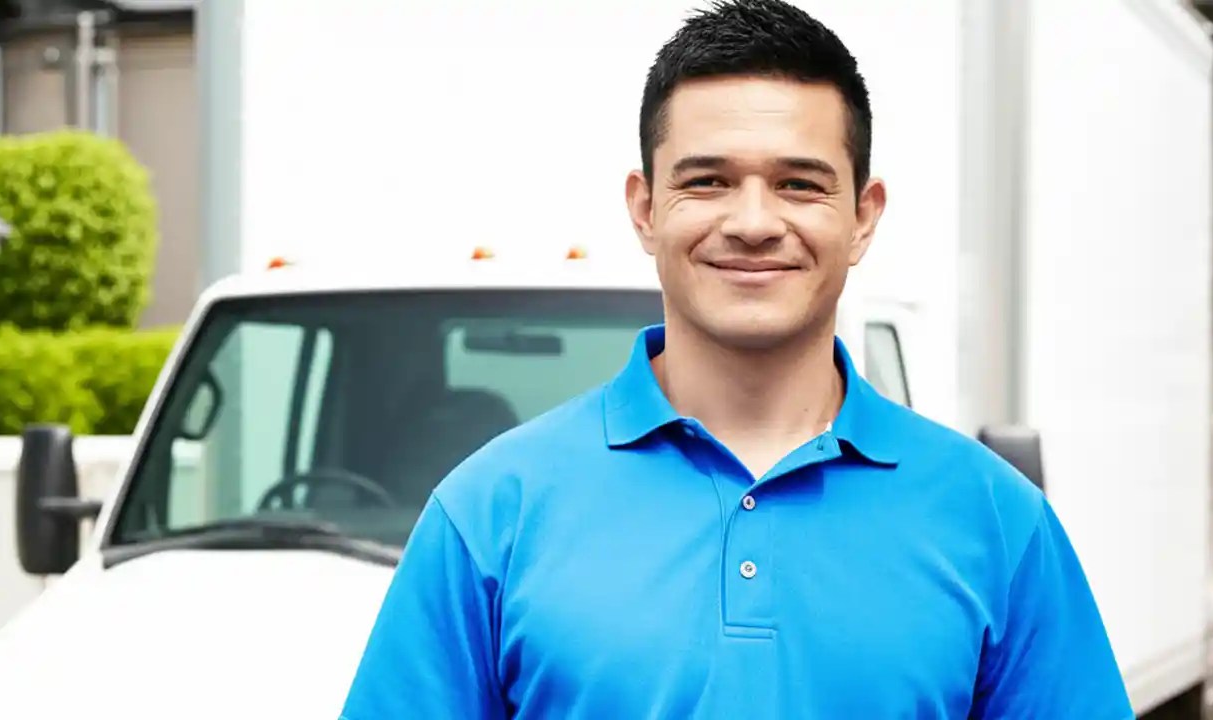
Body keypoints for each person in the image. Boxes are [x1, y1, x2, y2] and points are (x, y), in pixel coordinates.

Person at [339, 0, 1133, 717]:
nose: (753, 222)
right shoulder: (491, 514)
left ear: (863, 216)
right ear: (646, 210)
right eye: (708, 181)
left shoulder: (995, 521)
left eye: (799, 185)